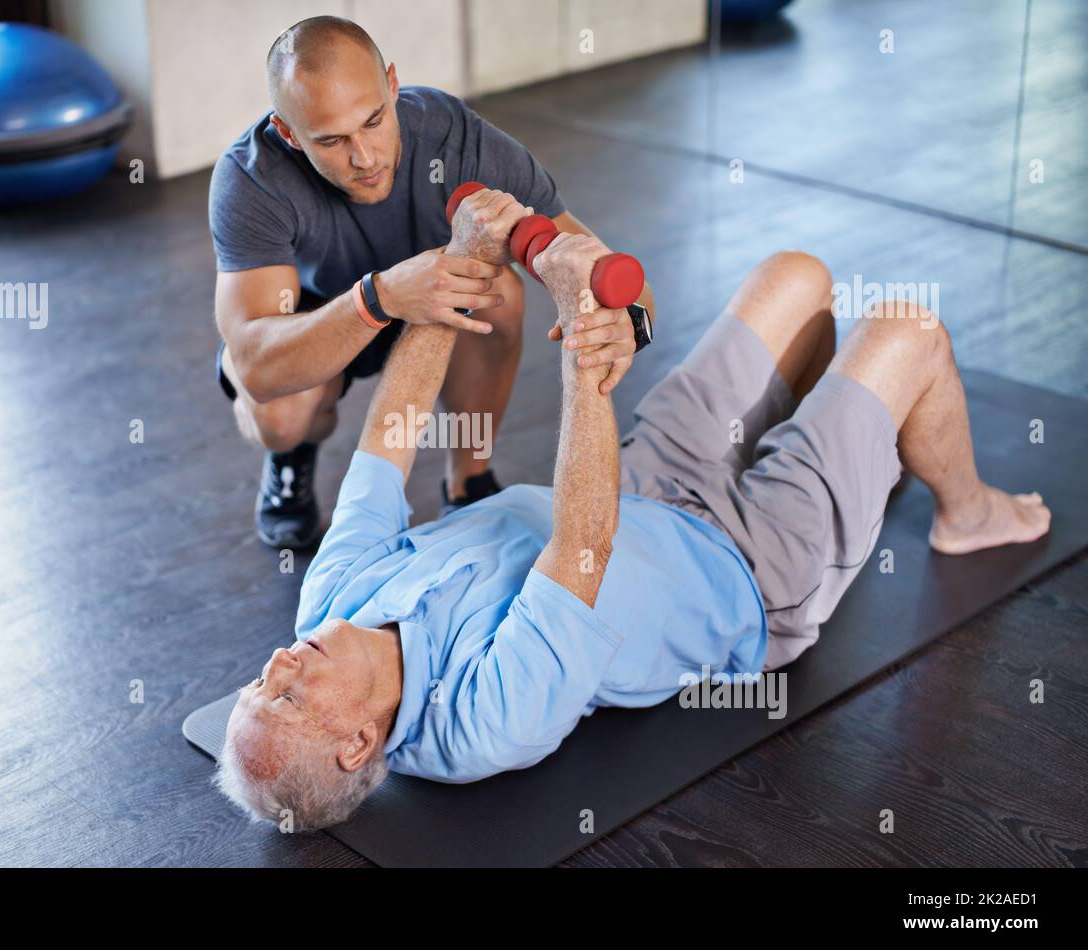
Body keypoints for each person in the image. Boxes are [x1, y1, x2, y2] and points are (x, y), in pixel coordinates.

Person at [212, 190, 1051, 833]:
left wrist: (452, 270)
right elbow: (585, 544)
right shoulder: (482, 721)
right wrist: (586, 323)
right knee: (908, 327)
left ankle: (848, 456)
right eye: (286, 697)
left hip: (640, 482)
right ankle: (966, 510)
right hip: (749, 570)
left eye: (258, 680)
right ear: (357, 743)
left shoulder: (330, 604)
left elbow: (388, 441)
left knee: (797, 276)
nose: (278, 660)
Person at [210, 15, 654, 548]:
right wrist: (382, 296)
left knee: (500, 294)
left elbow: (607, 268)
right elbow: (257, 364)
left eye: (374, 120)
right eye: (331, 140)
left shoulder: (453, 135)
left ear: (392, 85)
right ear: (289, 133)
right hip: (317, 319)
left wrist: (631, 323)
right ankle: (292, 455)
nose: (364, 157)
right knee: (281, 415)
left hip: (432, 305)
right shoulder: (251, 177)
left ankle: (469, 479)